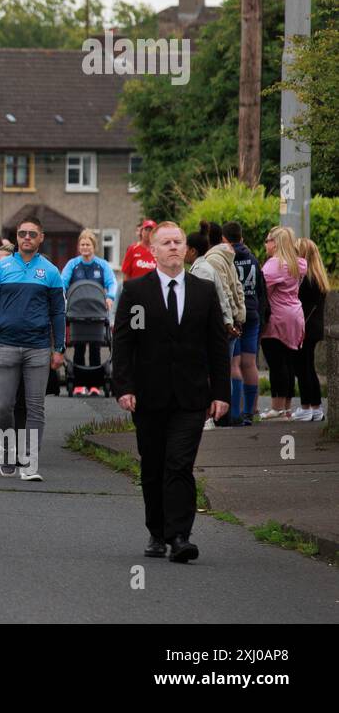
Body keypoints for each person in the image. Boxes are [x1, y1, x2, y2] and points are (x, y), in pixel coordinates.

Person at [112, 221, 230, 563]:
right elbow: (124, 342)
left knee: (179, 464)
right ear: (154, 251)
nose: (174, 247)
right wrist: (124, 386)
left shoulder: (203, 292)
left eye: (178, 241)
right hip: (148, 396)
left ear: (186, 248)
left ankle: (180, 536)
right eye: (166, 243)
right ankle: (157, 531)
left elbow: (217, 346)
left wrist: (220, 392)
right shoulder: (137, 293)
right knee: (153, 465)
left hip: (192, 397)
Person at [0, 215, 65, 481]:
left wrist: (59, 348)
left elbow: (59, 312)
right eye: (22, 234)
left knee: (35, 406)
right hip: (5, 345)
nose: (26, 238)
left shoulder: (50, 271)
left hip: (38, 348)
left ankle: (30, 461)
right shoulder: (1, 268)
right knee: (3, 406)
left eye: (32, 234)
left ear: (41, 238)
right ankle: (7, 453)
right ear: (16, 237)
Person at [186, 230, 244, 427]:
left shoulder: (202, 270)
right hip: (223, 324)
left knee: (213, 372)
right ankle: (220, 416)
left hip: (213, 328)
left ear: (192, 250)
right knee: (221, 370)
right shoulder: (203, 266)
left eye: (183, 247)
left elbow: (207, 303)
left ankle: (213, 417)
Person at [61, 230, 117, 396]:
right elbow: (62, 282)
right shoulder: (73, 264)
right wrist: (61, 297)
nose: (85, 247)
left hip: (97, 313)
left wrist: (110, 297)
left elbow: (111, 282)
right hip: (77, 313)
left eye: (88, 244)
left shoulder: (102, 265)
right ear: (79, 247)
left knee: (95, 348)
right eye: (82, 244)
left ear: (94, 247)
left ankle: (94, 385)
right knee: (78, 348)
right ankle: (79, 384)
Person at [259, 226, 306, 420]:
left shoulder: (273, 265)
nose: (266, 243)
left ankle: (276, 408)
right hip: (295, 315)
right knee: (289, 363)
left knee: (276, 363)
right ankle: (286, 408)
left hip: (277, 318)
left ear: (276, 243)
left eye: (268, 240)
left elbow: (263, 291)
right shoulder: (298, 264)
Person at [223, 221, 267, 426]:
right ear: (242, 238)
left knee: (235, 364)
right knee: (250, 363)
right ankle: (250, 411)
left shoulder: (227, 261)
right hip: (252, 314)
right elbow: (261, 289)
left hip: (235, 316)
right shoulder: (252, 259)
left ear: (225, 240)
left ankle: (235, 412)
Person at [294, 238, 329, 422]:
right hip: (315, 327)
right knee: (308, 366)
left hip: (304, 327)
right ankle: (315, 407)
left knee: (303, 367)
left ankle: (308, 406)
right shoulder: (318, 277)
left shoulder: (306, 279)